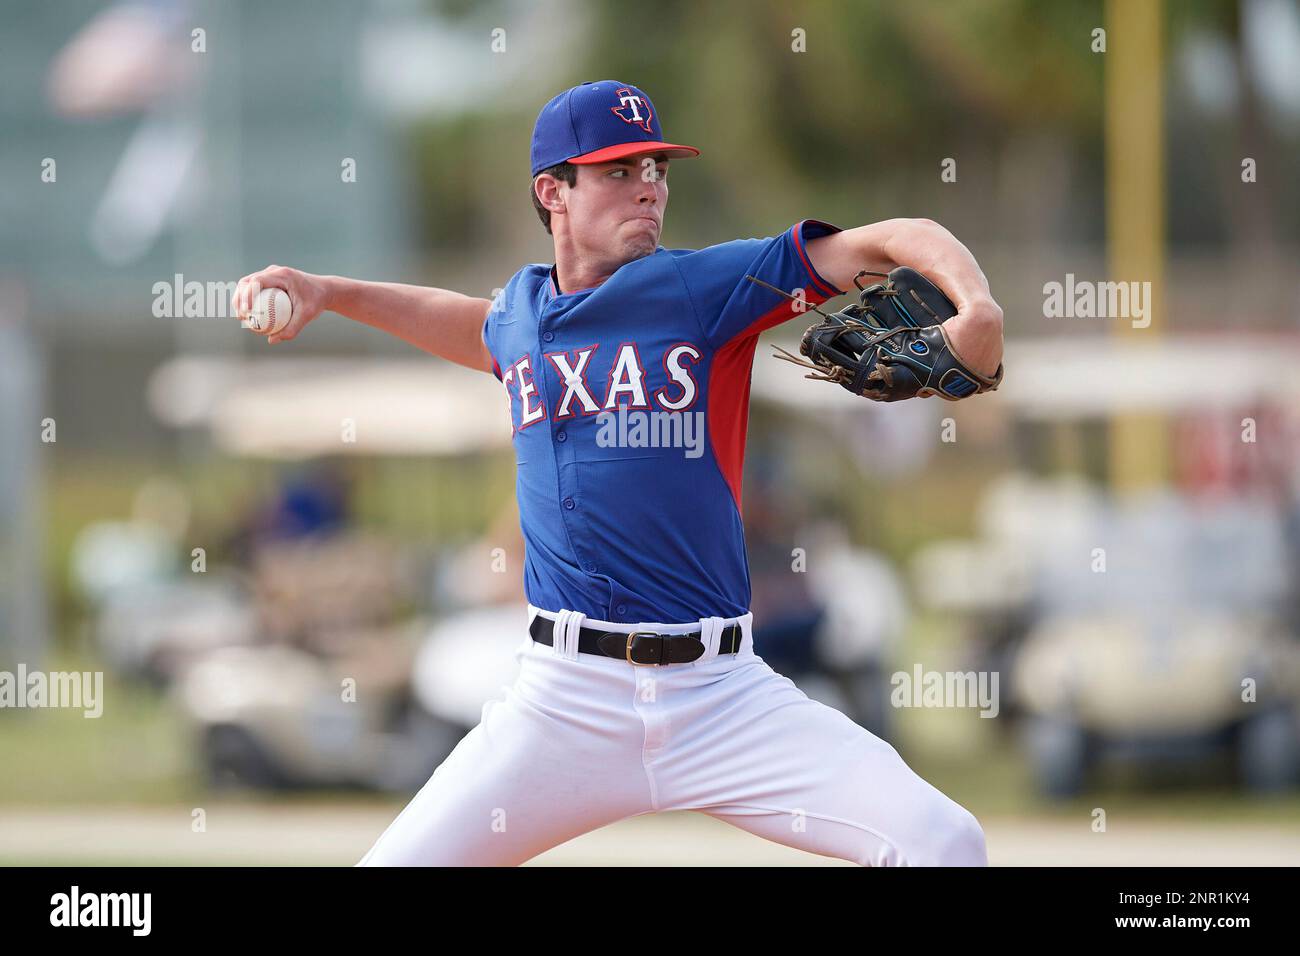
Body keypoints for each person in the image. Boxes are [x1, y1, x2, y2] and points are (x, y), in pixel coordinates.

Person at [234, 81, 1003, 866]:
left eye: (656, 168)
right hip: (564, 703)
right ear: (551, 190)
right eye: (617, 171)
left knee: (944, 840)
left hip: (722, 696)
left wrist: (976, 308)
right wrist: (326, 292)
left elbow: (898, 237)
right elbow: (464, 321)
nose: (648, 186)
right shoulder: (520, 317)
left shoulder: (705, 289)